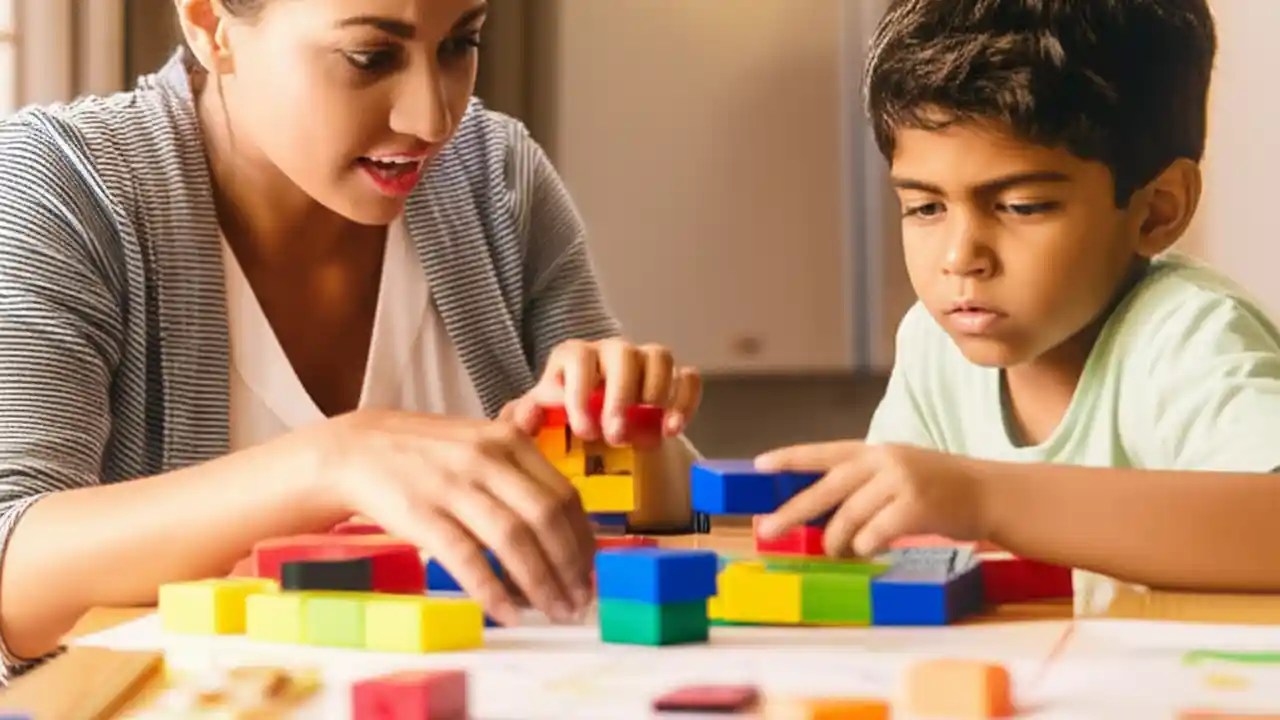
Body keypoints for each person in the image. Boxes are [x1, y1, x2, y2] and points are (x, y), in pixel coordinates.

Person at [0, 0, 701, 680]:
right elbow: (14, 576)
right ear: (211, 25)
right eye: (370, 56)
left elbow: (661, 514)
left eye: (461, 44)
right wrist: (331, 461)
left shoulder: (498, 176)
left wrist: (629, 428)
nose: (432, 117)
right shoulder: (64, 183)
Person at [757, 0, 1280, 596]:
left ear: (1157, 208)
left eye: (1022, 206)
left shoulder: (1190, 335)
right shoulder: (934, 344)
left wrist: (981, 496)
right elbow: (886, 542)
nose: (961, 257)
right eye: (926, 207)